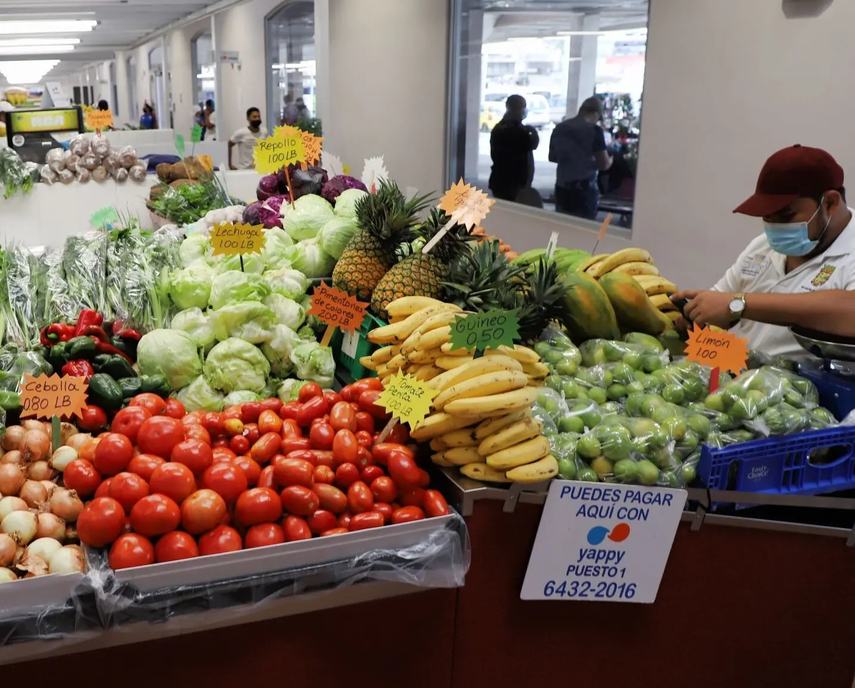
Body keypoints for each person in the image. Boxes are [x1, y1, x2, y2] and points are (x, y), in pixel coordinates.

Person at [672, 145, 855, 356]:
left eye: (786, 216)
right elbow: (721, 305)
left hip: (810, 387)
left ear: (830, 203)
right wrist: (696, 316)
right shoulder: (762, 247)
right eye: (767, 218)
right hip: (747, 382)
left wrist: (739, 303)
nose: (775, 228)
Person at [549, 96, 613, 219]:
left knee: (562, 226)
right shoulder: (594, 130)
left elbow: (552, 157)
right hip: (584, 191)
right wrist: (611, 160)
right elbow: (603, 165)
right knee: (583, 230)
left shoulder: (559, 128)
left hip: (562, 188)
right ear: (595, 113)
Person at [488, 95, 539, 202]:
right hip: (511, 183)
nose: (524, 111)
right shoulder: (509, 130)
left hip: (511, 182)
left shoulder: (508, 127)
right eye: (522, 108)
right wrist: (533, 132)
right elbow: (531, 144)